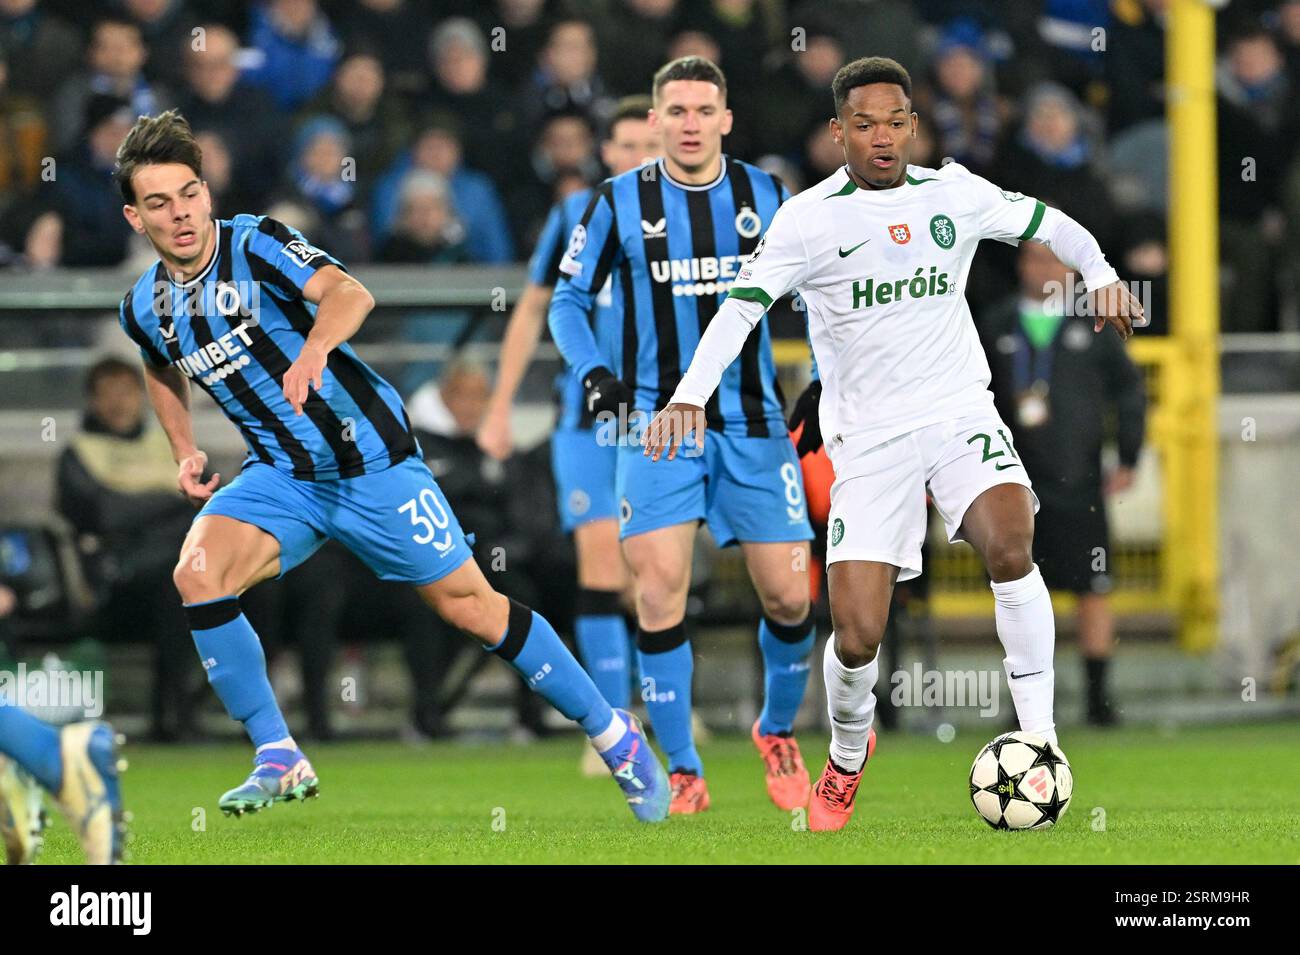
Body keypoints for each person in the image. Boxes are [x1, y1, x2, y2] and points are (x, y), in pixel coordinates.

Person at [111, 109, 669, 822]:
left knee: (472, 607)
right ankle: (277, 752)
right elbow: (160, 366)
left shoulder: (254, 244)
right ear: (135, 216)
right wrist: (184, 447)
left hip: (370, 461)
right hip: (282, 476)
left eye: (189, 192)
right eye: (158, 202)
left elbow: (351, 293)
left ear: (206, 191)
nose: (180, 213)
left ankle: (613, 734)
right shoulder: (144, 305)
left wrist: (313, 351)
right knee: (196, 573)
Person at [643, 56, 1142, 831]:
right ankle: (847, 756)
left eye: (896, 121)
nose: (883, 137)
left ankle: (1040, 736)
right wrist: (686, 396)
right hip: (868, 441)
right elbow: (740, 310)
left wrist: (1101, 271)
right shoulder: (808, 220)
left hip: (957, 414)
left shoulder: (955, 192)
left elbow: (1051, 223)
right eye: (865, 124)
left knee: (1012, 545)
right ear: (838, 132)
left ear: (914, 124)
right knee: (856, 634)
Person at [549, 58, 817, 815]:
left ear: (726, 119)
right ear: (656, 122)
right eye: (677, 110)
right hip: (656, 427)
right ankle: (686, 764)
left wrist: (825, 378)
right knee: (659, 591)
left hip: (755, 424)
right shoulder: (615, 202)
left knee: (791, 596)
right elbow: (567, 301)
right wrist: (596, 374)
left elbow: (824, 292)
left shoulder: (768, 196)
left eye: (705, 109)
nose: (691, 122)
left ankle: (775, 729)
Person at [478, 95, 660, 773]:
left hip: (660, 419)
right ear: (606, 153)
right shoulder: (572, 216)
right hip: (587, 420)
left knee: (653, 571)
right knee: (600, 565)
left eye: (649, 145)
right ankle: (613, 726)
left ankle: (661, 702)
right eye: (625, 146)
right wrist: (499, 406)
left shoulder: (692, 221)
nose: (636, 157)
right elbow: (530, 311)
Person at [979, 241, 1146, 726]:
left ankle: (1098, 698)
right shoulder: (997, 323)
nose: (1045, 268)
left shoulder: (1094, 324)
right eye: (1036, 258)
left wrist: (1129, 454)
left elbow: (1130, 390)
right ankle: (1024, 702)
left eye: (1056, 260)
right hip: (1011, 480)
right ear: (1021, 264)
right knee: (1015, 587)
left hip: (1080, 481)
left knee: (1092, 586)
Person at [56, 357, 196, 741]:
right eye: (108, 394)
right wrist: (172, 498)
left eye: (127, 392)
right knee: (178, 587)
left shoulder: (171, 442)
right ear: (92, 401)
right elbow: (105, 514)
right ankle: (173, 718)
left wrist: (144, 506)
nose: (119, 402)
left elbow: (209, 498)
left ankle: (256, 717)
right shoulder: (79, 453)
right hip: (116, 581)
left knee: (263, 583)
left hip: (183, 562)